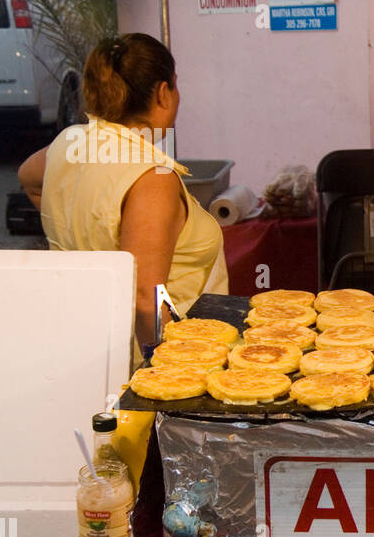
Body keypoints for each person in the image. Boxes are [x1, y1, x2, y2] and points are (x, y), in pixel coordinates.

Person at [18, 33, 229, 348]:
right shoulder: (152, 176)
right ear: (162, 94)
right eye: (175, 84)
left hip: (84, 338)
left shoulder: (70, 144)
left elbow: (28, 177)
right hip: (148, 361)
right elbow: (147, 301)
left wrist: (84, 229)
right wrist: (168, 373)